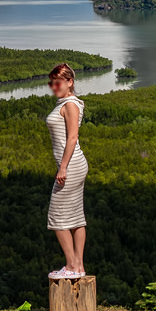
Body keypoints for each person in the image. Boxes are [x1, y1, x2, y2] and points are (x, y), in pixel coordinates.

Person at [45, 62, 87, 279]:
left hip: (70, 166)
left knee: (57, 216)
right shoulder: (69, 102)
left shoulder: (70, 104)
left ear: (70, 82)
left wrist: (63, 167)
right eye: (51, 83)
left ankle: (71, 265)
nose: (54, 87)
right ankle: (78, 267)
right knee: (76, 217)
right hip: (75, 165)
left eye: (58, 82)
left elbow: (72, 137)